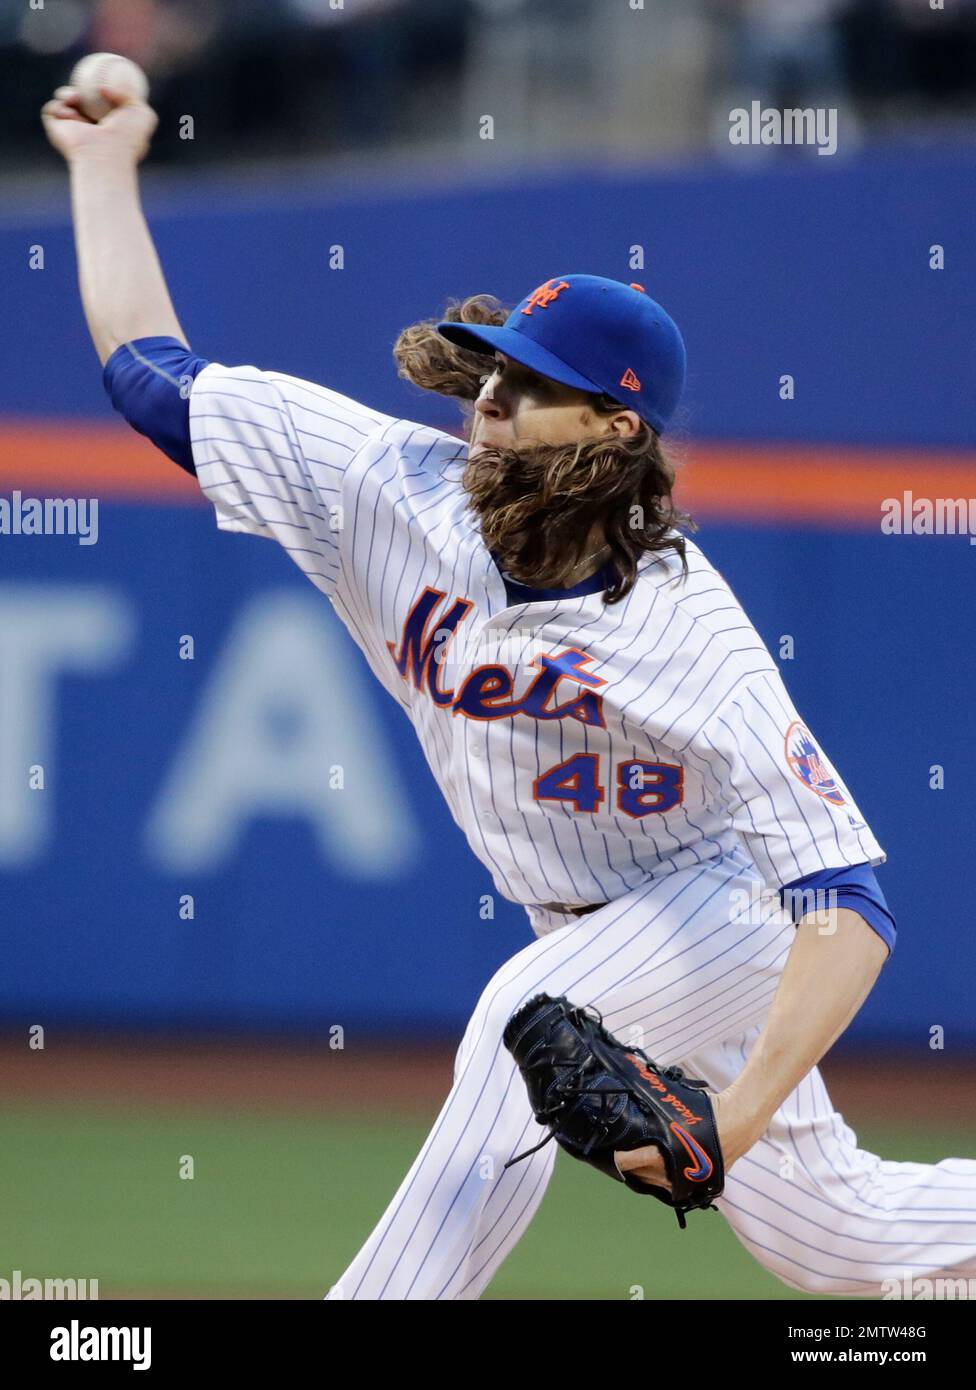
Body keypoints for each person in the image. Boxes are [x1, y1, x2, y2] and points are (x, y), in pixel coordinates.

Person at [42, 81, 976, 1302]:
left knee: (516, 1025)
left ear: (611, 429)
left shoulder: (684, 627)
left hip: (728, 907)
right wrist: (105, 163)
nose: (487, 401)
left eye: (526, 386)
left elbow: (847, 903)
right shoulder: (383, 485)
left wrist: (730, 1121)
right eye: (489, 374)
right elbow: (149, 374)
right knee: (834, 1237)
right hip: (583, 921)